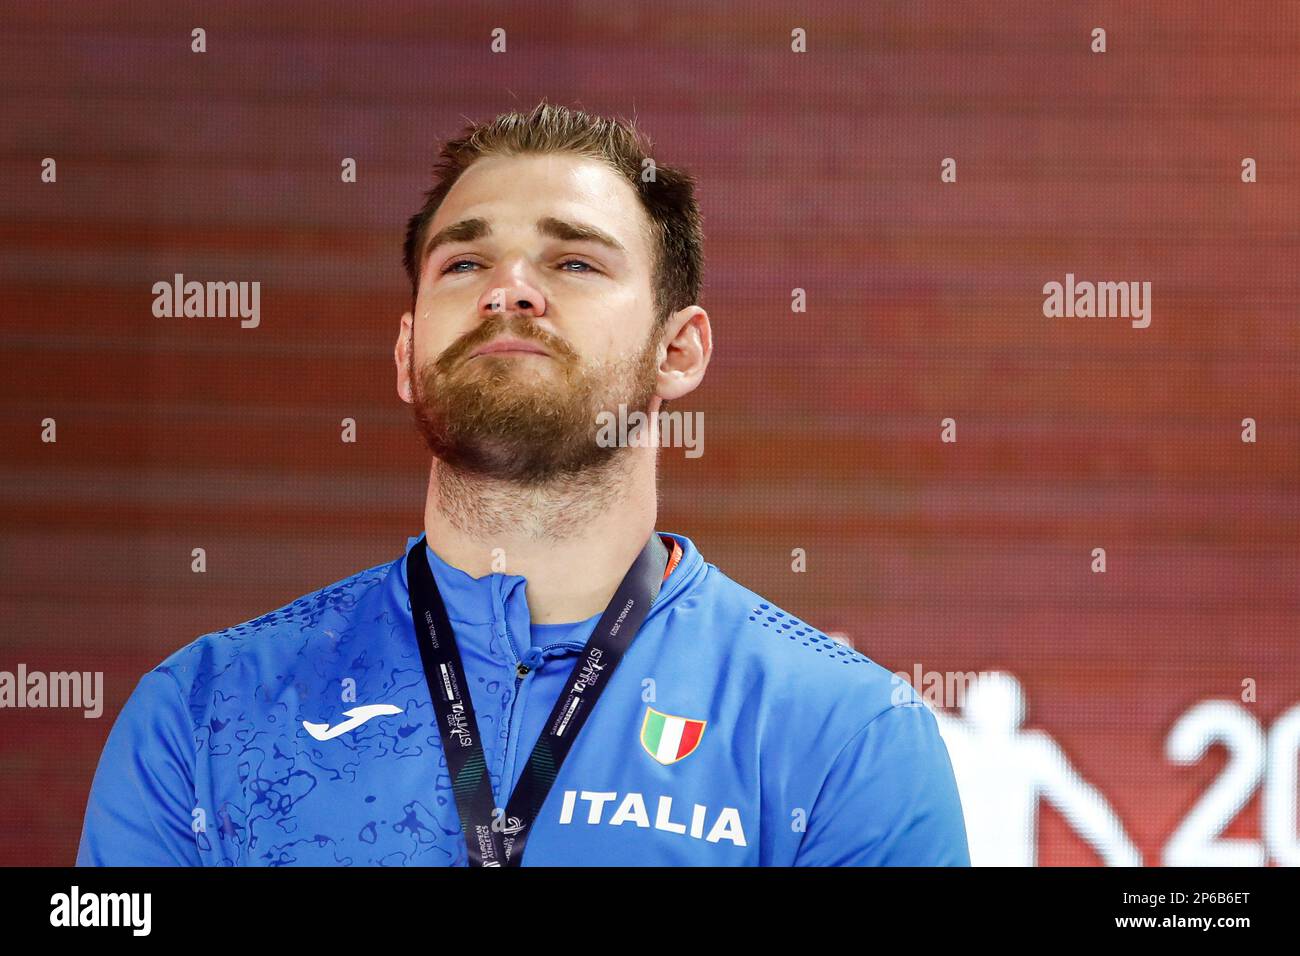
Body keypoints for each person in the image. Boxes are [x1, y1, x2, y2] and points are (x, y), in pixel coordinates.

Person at [76, 102, 969, 866]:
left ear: (680, 348)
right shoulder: (205, 714)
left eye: (574, 262)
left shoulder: (845, 734)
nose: (509, 290)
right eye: (464, 264)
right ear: (405, 353)